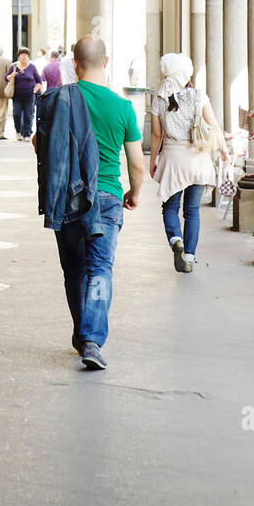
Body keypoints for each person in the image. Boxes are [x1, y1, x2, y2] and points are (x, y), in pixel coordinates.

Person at [55, 34, 146, 369]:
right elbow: (137, 163)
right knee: (100, 268)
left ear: (74, 64)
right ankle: (92, 340)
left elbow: (40, 143)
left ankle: (82, 335)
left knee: (73, 270)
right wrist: (133, 193)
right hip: (106, 195)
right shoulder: (122, 107)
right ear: (106, 62)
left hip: (66, 196)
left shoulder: (61, 100)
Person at [150, 52, 228, 273]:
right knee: (192, 210)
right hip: (198, 158)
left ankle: (176, 240)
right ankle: (190, 258)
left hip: (173, 160)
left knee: (170, 207)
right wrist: (223, 149)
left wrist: (153, 160)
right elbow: (214, 126)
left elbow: (157, 134)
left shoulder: (159, 99)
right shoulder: (199, 96)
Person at [6, 48, 42, 141]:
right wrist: (12, 75)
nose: (23, 57)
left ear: (28, 57)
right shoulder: (14, 66)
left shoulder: (32, 67)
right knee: (16, 114)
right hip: (17, 95)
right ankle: (18, 131)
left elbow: (39, 81)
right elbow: (6, 78)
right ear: (18, 57)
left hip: (29, 95)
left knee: (28, 115)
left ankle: (27, 134)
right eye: (21, 55)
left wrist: (35, 90)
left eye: (25, 55)